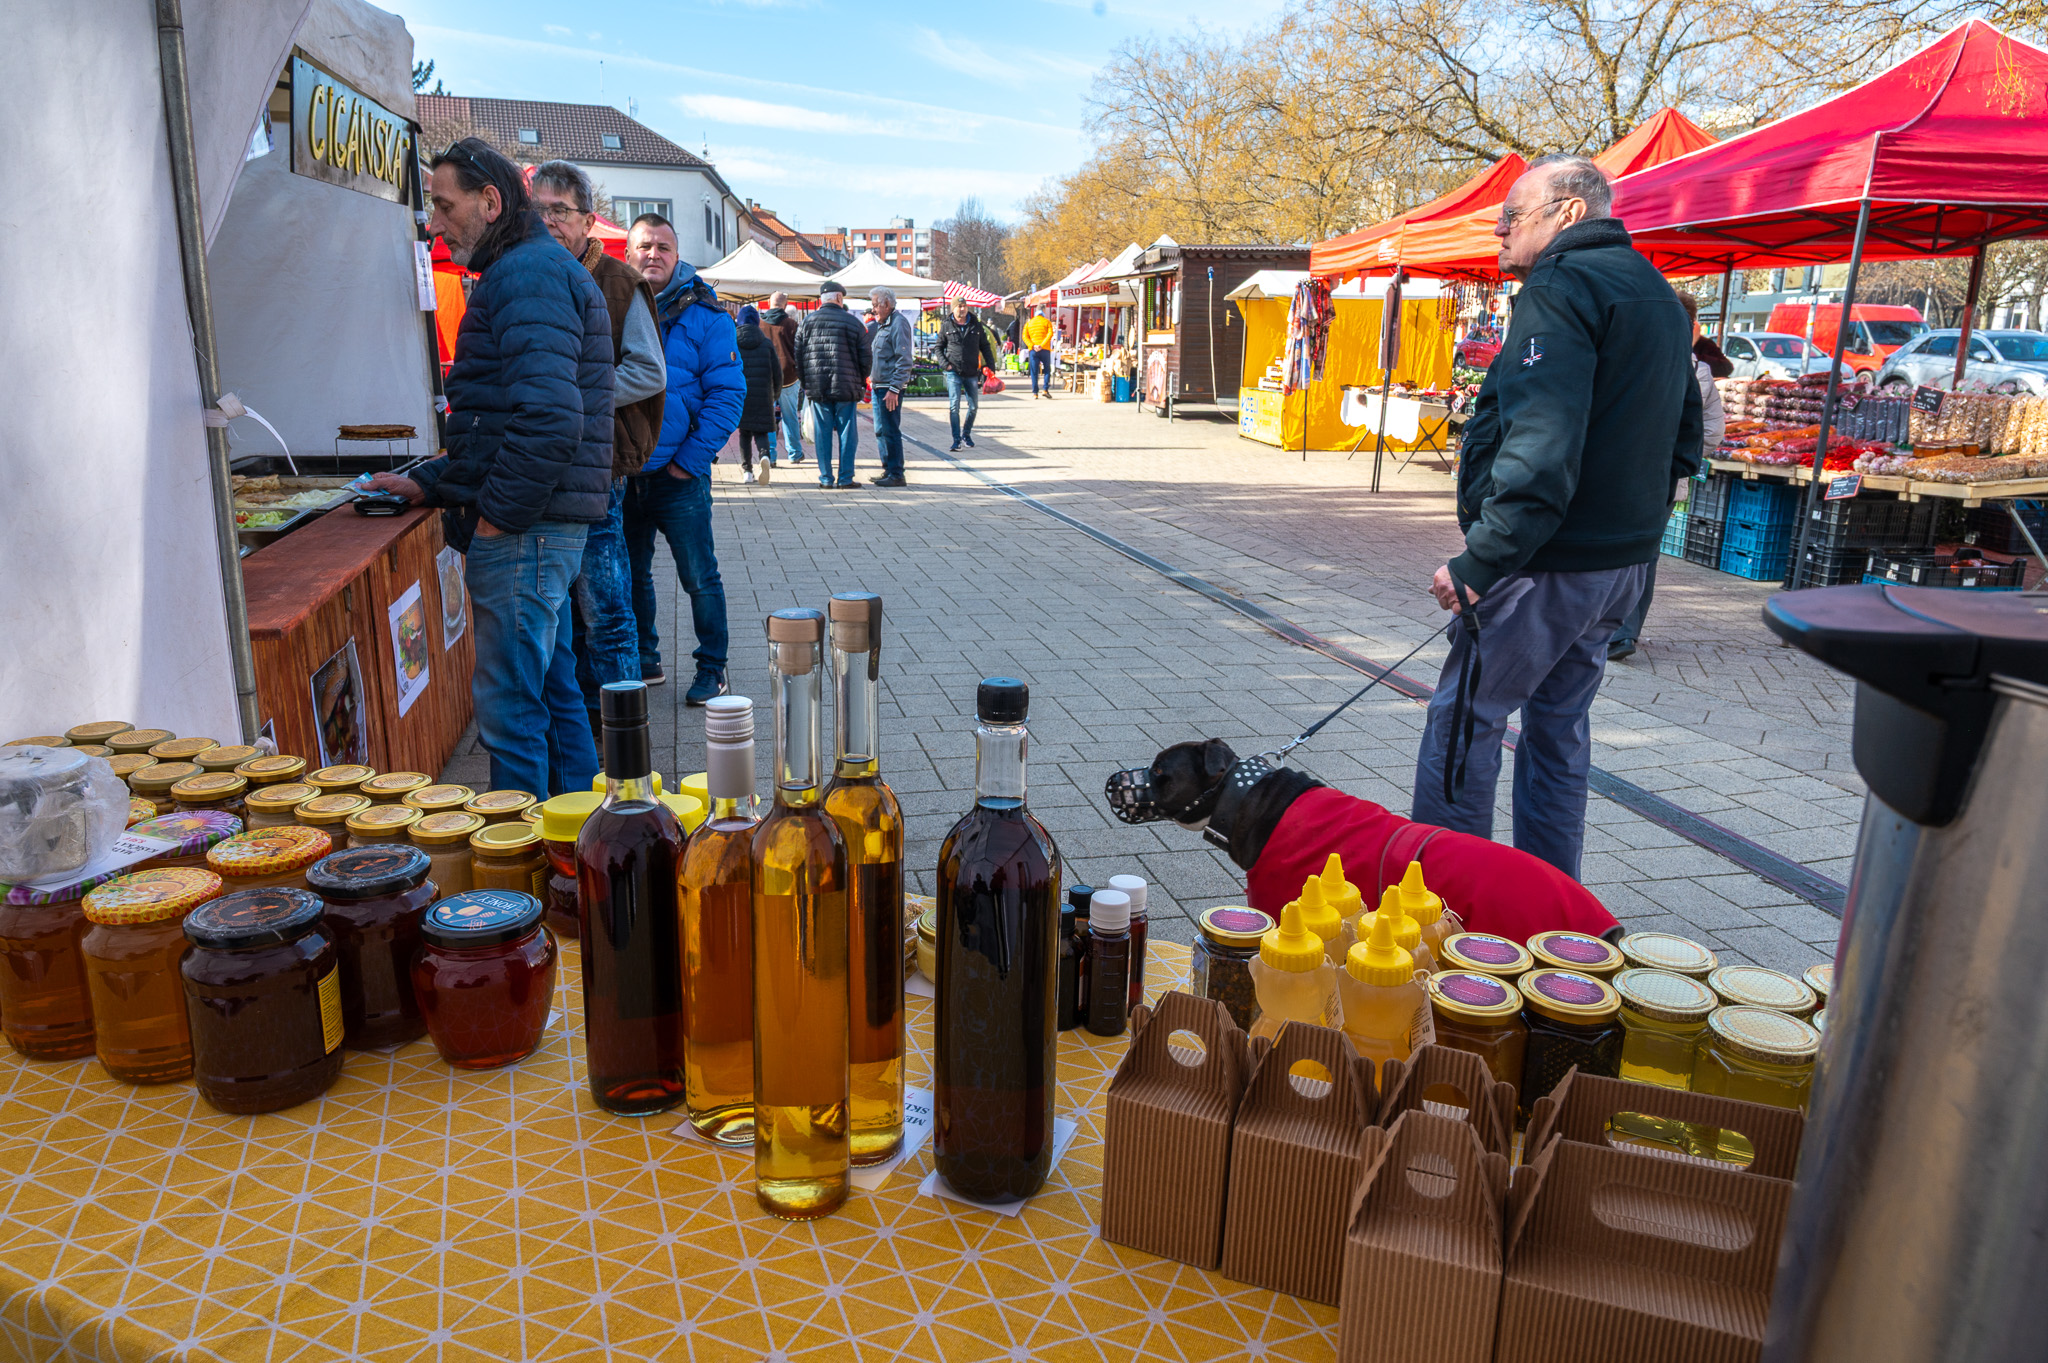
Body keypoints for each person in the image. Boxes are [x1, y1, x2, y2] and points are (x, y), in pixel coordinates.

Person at [1411, 153, 1704, 880]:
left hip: (1548, 562)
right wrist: (1634, 532)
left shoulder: (1563, 286)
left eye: (1512, 215)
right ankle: (1549, 908)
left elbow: (1542, 441)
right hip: (1619, 568)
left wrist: (1486, 558)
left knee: (1465, 721)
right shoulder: (1658, 294)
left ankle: (1452, 905)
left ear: (1568, 213)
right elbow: (1686, 434)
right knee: (1558, 730)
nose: (1500, 231)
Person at [366, 138, 612, 796]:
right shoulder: (526, 269)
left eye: (445, 206)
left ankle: (523, 878)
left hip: (527, 528)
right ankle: (572, 852)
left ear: (491, 201)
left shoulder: (525, 273)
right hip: (540, 524)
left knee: (514, 715)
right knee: (552, 697)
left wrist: (498, 518)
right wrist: (430, 480)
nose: (436, 222)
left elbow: (551, 419)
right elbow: (500, 419)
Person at [1108, 738, 1621, 941]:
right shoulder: (1301, 813)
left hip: (1524, 903)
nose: (1149, 789)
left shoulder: (1285, 856)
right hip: (1488, 870)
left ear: (1216, 774)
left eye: (1162, 779)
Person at [530, 161, 666, 723]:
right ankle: (583, 722)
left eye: (559, 211)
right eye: (537, 211)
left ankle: (624, 730)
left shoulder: (616, 282)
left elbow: (649, 371)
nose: (547, 222)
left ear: (588, 220)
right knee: (563, 613)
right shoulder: (529, 274)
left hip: (597, 468)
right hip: (541, 467)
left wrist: (574, 396)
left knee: (606, 609)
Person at [622, 213, 745, 704]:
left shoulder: (707, 316)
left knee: (699, 576)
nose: (653, 254)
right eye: (644, 246)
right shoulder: (610, 305)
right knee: (631, 573)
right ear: (628, 254)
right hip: (625, 474)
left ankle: (712, 668)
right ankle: (645, 659)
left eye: (663, 248)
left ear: (677, 255)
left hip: (679, 477)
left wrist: (687, 463)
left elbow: (727, 396)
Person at [1610, 291, 1728, 661]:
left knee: (1611, 547)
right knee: (1645, 554)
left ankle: (1601, 626)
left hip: (1623, 471)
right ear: (1692, 326)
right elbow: (1710, 434)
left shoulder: (1636, 357)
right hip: (1664, 478)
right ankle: (1623, 633)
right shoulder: (1700, 370)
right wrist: (1679, 462)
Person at [793, 279, 872, 489]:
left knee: (822, 432)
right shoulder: (854, 323)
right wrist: (861, 381)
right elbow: (866, 358)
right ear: (839, 297)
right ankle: (845, 478)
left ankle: (826, 478)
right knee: (847, 432)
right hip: (847, 386)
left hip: (817, 386)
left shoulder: (806, 323)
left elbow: (798, 357)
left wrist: (805, 382)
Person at [937, 297, 997, 451]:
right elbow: (938, 347)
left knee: (973, 407)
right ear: (953, 308)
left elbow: (985, 346)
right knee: (954, 407)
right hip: (954, 372)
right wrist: (946, 365)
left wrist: (991, 367)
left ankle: (966, 434)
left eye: (964, 306)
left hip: (971, 372)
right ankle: (956, 440)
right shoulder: (946, 325)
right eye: (959, 306)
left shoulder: (975, 325)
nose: (962, 309)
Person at [868, 286, 913, 487]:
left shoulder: (898, 324)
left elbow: (904, 360)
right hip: (879, 387)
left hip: (889, 389)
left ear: (887, 304)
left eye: (876, 305)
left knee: (890, 430)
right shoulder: (884, 324)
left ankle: (896, 473)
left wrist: (895, 388)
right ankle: (888, 469)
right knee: (881, 430)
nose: (873, 309)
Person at [733, 304, 781, 485]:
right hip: (763, 395)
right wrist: (774, 394)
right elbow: (777, 373)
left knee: (744, 432)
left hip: (741, 396)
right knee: (760, 431)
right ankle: (765, 455)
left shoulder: (733, 343)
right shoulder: (766, 343)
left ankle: (747, 471)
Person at [762, 290, 806, 464]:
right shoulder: (792, 325)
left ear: (768, 303)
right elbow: (799, 351)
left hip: (767, 378)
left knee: (769, 418)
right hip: (789, 376)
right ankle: (794, 453)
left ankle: (771, 456)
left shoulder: (759, 324)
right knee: (790, 417)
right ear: (785, 305)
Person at [1022, 307, 1054, 398]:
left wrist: (1032, 345)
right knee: (1047, 370)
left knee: (1034, 371)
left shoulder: (1029, 323)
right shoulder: (1047, 322)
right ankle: (1045, 389)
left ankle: (1035, 393)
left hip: (1033, 350)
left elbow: (1024, 336)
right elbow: (1050, 334)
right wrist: (1042, 345)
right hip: (1045, 349)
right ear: (1043, 312)